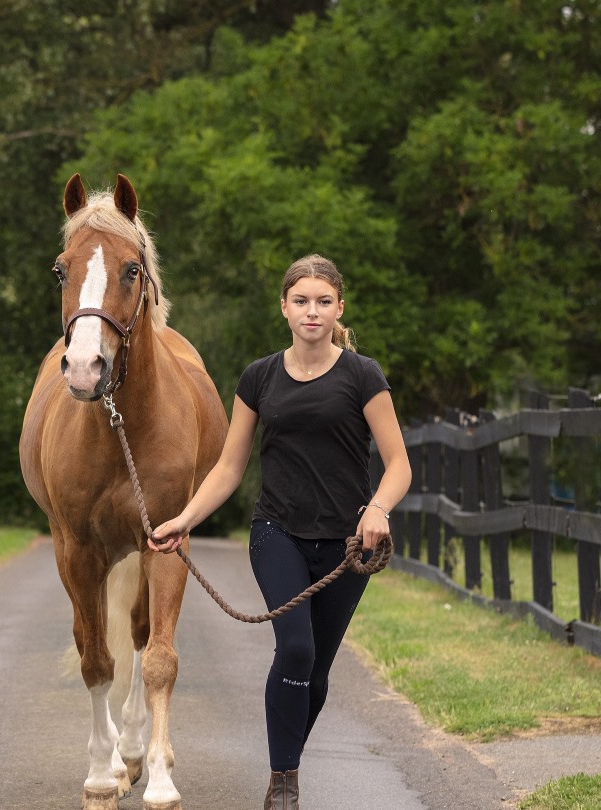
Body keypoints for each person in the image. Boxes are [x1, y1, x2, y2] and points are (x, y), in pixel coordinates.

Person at [149, 254, 411, 810]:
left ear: (339, 307)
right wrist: (184, 519)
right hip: (278, 533)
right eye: (300, 301)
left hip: (347, 545)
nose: (311, 311)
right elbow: (227, 468)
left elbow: (398, 465)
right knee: (295, 647)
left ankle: (285, 761)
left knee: (314, 673)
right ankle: (283, 779)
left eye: (322, 302)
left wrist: (378, 509)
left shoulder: (363, 376)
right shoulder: (259, 376)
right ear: (284, 308)